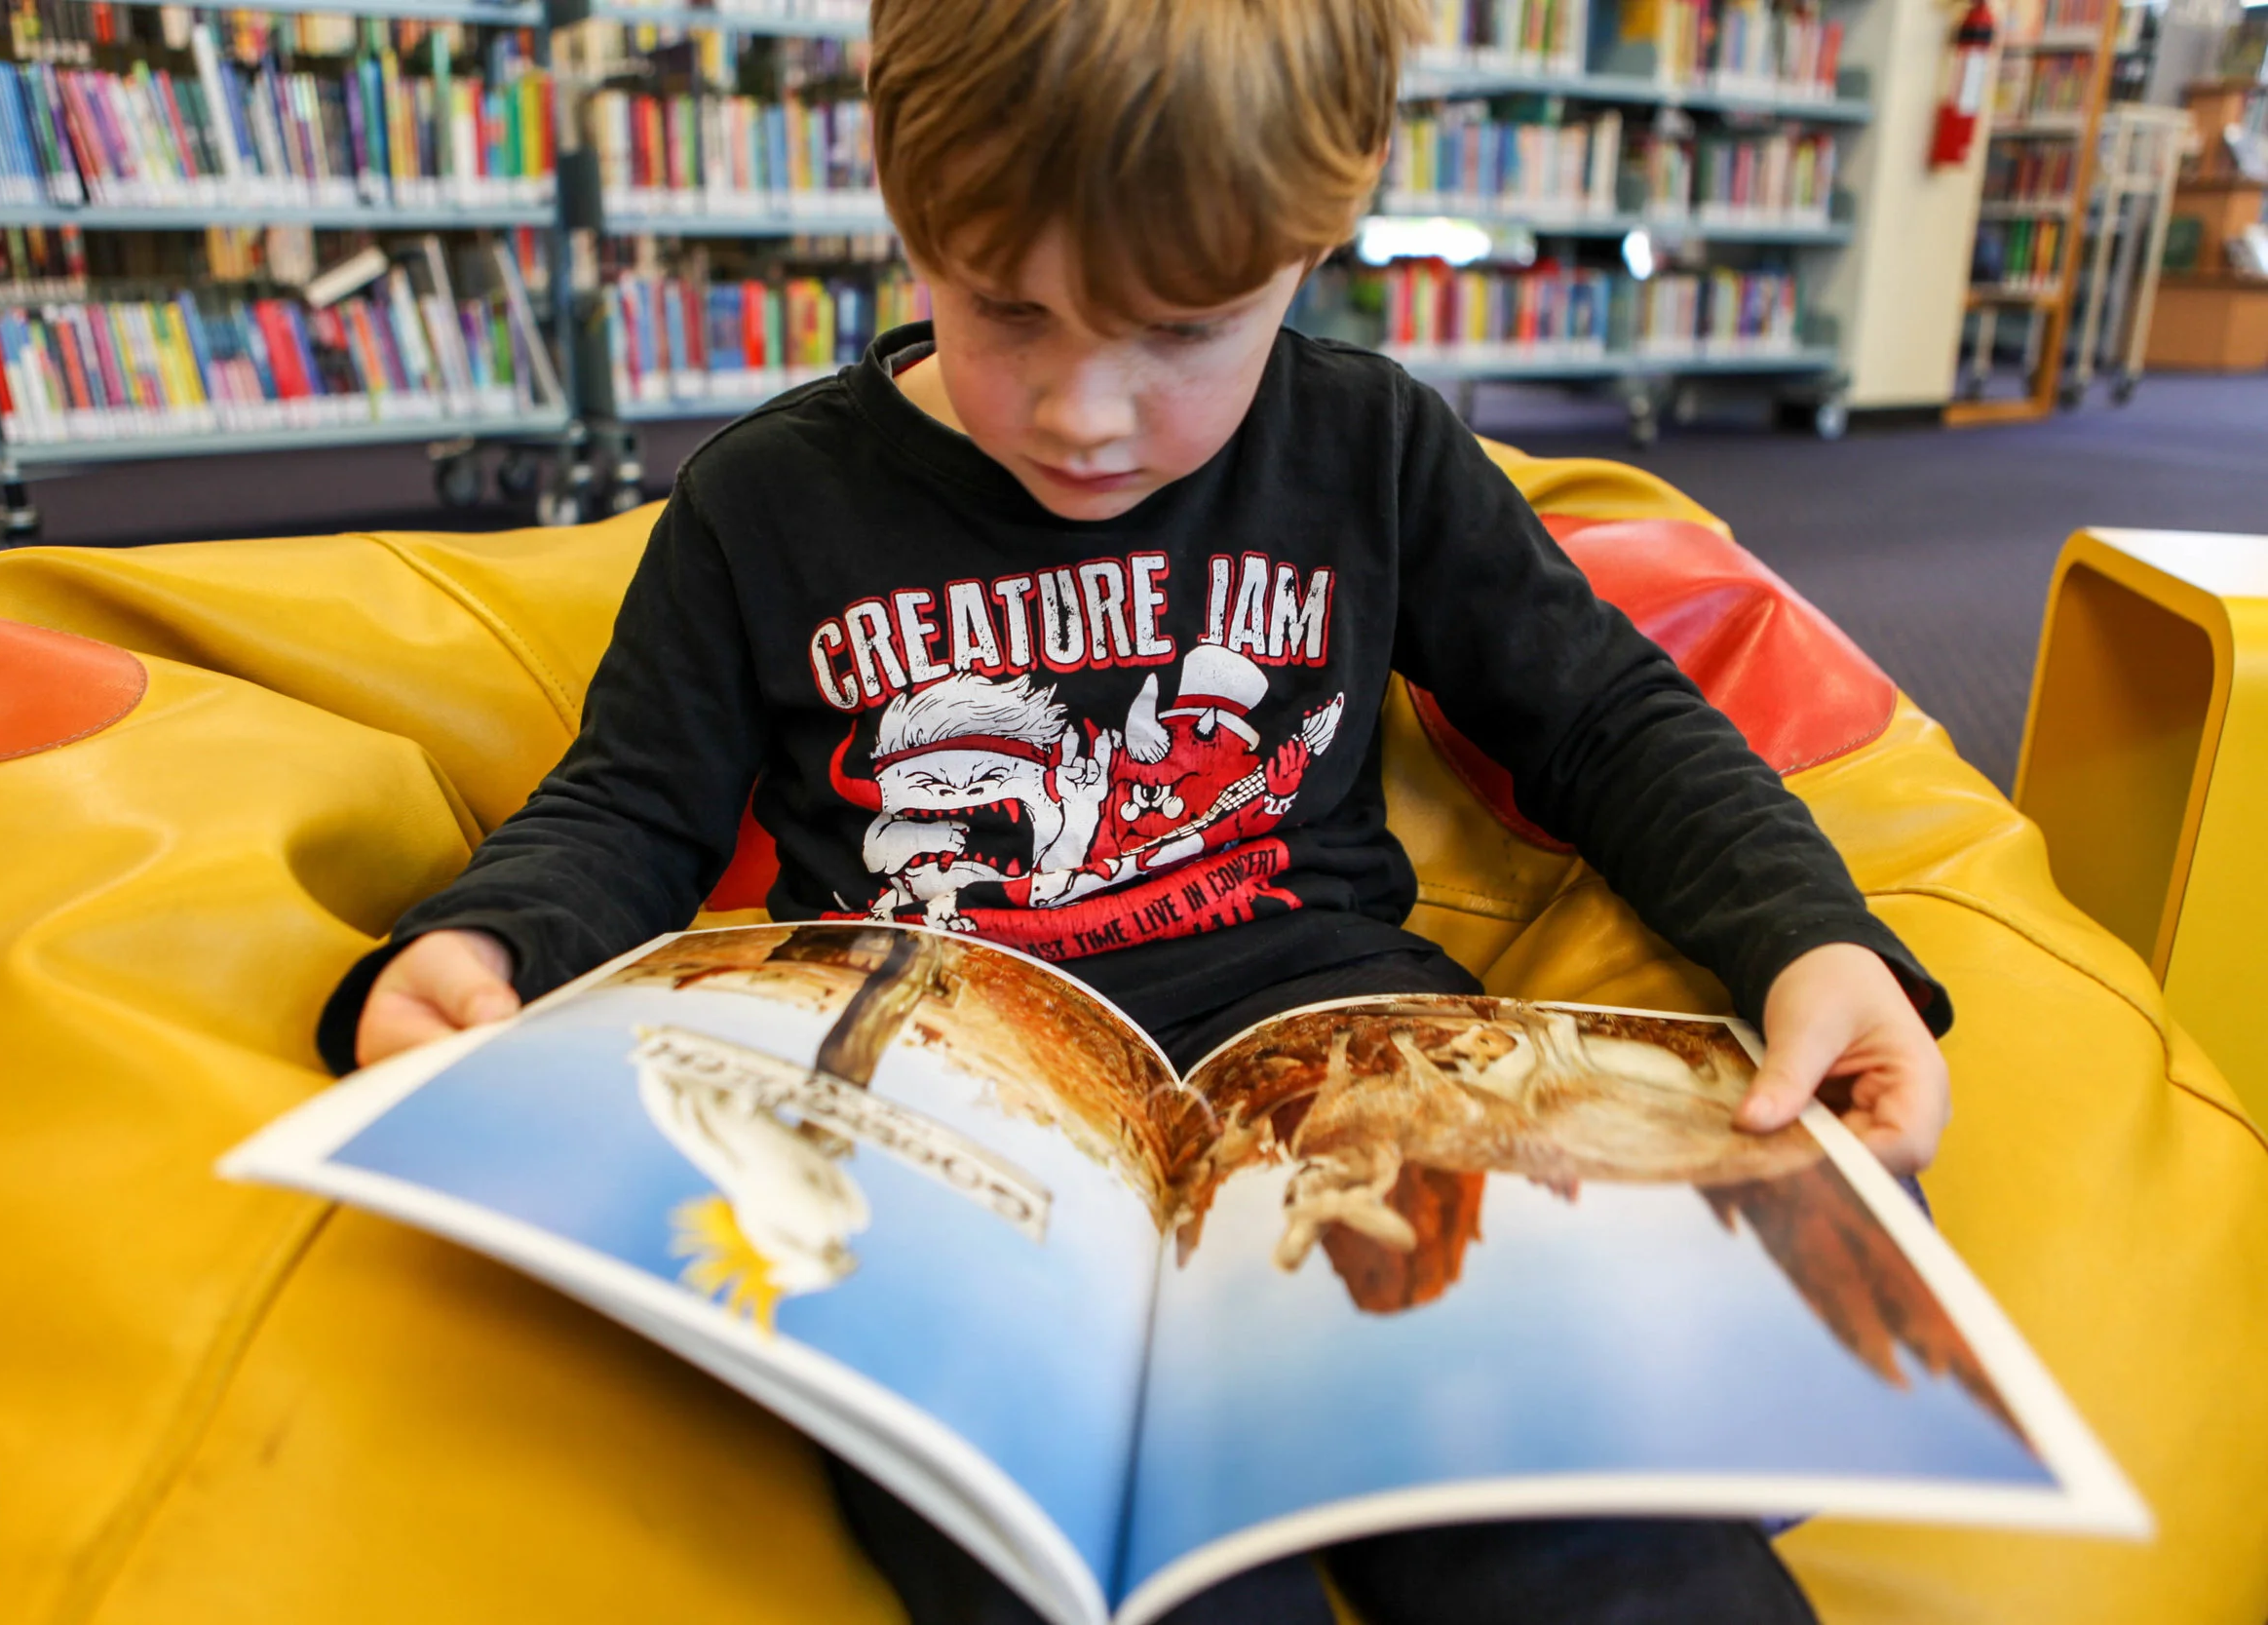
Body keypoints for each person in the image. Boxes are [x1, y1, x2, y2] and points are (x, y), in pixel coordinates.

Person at [317, 0, 1953, 1617]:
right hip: (948, 1111)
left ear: (1330, 218)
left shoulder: (1370, 443)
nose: (1083, 411)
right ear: (901, 192)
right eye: (1005, 308)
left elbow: (1605, 716)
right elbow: (628, 803)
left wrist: (1810, 938)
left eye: (1185, 330)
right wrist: (491, 940)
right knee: (1046, 1553)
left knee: (1581, 1511)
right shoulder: (767, 504)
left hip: (1341, 1062)